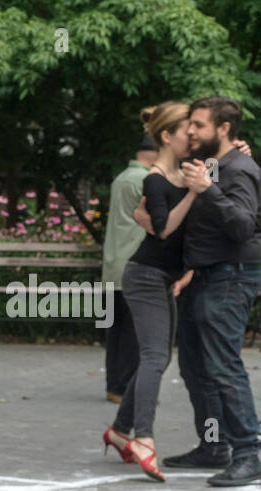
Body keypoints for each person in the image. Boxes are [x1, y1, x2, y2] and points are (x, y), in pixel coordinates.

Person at [159, 97, 261, 486]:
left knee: (222, 366)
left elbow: (241, 226)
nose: (191, 131)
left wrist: (208, 190)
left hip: (230, 277)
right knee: (195, 367)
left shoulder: (241, 169)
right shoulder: (217, 164)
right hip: (203, 276)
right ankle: (214, 445)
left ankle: (249, 454)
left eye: (199, 125)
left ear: (223, 129)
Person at [102, 104, 196, 482]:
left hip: (164, 277)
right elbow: (162, 230)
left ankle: (119, 431)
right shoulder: (156, 179)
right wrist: (192, 194)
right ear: (166, 136)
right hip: (144, 276)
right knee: (155, 357)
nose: (193, 136)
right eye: (187, 129)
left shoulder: (185, 171)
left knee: (156, 359)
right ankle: (143, 438)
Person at [100, 135, 158, 403]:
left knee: (117, 333)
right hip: (133, 264)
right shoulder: (144, 180)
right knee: (136, 333)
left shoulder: (122, 177)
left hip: (114, 265)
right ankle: (130, 389)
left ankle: (115, 386)